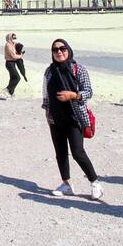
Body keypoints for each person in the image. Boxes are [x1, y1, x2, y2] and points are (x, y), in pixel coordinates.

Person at [42, 38, 104, 200]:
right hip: (55, 118)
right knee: (60, 153)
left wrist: (73, 95)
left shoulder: (78, 69)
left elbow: (88, 91)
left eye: (62, 48)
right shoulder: (49, 71)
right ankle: (67, 184)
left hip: (74, 117)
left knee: (78, 152)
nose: (59, 52)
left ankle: (95, 183)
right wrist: (47, 110)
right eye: (55, 50)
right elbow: (45, 93)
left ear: (68, 50)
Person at [3, 33, 26, 97]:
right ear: (9, 38)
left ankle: (11, 93)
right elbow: (13, 56)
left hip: (13, 63)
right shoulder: (8, 45)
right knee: (17, 77)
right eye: (13, 38)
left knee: (12, 78)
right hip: (9, 63)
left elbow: (18, 47)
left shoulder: (13, 44)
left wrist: (19, 47)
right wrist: (21, 55)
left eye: (15, 38)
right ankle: (7, 89)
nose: (14, 39)